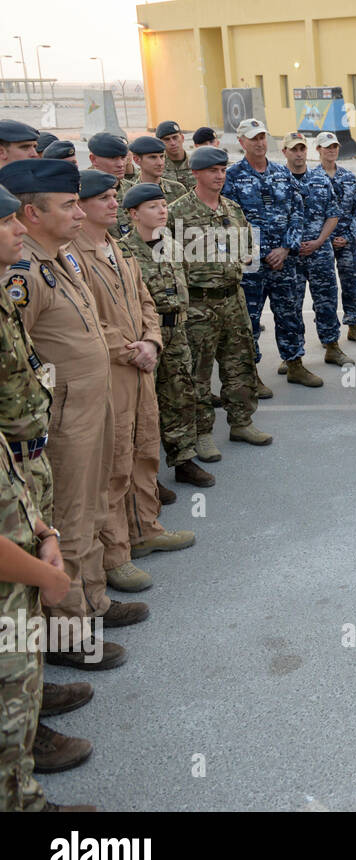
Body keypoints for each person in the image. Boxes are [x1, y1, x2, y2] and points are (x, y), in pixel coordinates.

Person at [0, 159, 126, 671]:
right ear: (32, 213)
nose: (80, 213)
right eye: (69, 205)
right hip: (64, 416)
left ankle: (93, 601)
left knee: (92, 506)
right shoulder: (22, 277)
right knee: (69, 522)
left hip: (93, 403)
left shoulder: (62, 256)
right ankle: (70, 634)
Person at [0, 182, 95, 784]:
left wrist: (35, 521)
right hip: (19, 455)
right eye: (7, 222)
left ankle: (31, 705)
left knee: (21, 626)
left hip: (18, 467)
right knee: (16, 619)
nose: (16, 230)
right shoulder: (21, 280)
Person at [73, 170, 193, 599]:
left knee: (145, 449)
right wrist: (132, 349)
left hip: (141, 363)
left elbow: (144, 300)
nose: (111, 203)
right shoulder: (75, 256)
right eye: (101, 198)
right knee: (115, 464)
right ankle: (115, 555)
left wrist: (152, 339)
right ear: (80, 206)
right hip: (111, 371)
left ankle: (146, 529)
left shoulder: (115, 248)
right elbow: (82, 321)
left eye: (112, 196)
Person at [166, 146, 273, 460]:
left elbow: (248, 248)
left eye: (223, 170)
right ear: (196, 173)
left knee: (239, 364)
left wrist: (242, 259)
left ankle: (241, 421)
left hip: (233, 298)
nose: (219, 176)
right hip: (198, 304)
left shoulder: (232, 208)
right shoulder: (177, 212)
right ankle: (202, 433)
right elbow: (165, 261)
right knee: (198, 372)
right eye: (212, 171)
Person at [120, 184, 213, 489]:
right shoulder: (123, 252)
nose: (162, 211)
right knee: (144, 406)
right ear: (134, 214)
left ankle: (183, 459)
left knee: (180, 395)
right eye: (153, 207)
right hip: (146, 336)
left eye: (163, 205)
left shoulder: (171, 243)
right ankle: (146, 478)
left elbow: (183, 279)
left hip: (178, 331)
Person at [222, 118, 312, 388]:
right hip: (251, 264)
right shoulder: (232, 177)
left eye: (262, 137)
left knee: (290, 314)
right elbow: (226, 220)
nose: (259, 143)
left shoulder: (282, 174)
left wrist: (285, 248)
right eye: (253, 138)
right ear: (241, 143)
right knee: (249, 320)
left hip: (283, 260)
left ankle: (294, 363)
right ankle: (252, 375)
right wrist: (255, 253)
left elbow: (298, 213)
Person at [280, 132, 350, 372]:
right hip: (290, 256)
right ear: (285, 152)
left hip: (319, 252)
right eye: (293, 149)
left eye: (301, 149)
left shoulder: (320, 180)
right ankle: (292, 355)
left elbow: (333, 213)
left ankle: (332, 346)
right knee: (290, 306)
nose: (298, 153)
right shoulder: (277, 180)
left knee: (327, 301)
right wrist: (288, 245)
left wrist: (320, 241)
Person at [312, 131, 356, 346]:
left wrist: (348, 235)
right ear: (318, 149)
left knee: (351, 282)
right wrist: (323, 238)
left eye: (334, 146)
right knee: (324, 287)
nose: (332, 150)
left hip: (346, 242)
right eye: (327, 147)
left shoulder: (348, 177)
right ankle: (326, 329)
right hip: (322, 243)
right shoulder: (312, 178)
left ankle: (354, 325)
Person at [127, 136, 186, 204]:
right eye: (153, 157)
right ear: (137, 160)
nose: (160, 163)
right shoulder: (128, 191)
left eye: (162, 156)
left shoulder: (177, 189)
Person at [156, 120, 195, 190]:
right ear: (160, 143)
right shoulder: (157, 167)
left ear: (182, 138)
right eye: (167, 139)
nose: (173, 143)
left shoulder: (196, 163)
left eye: (175, 137)